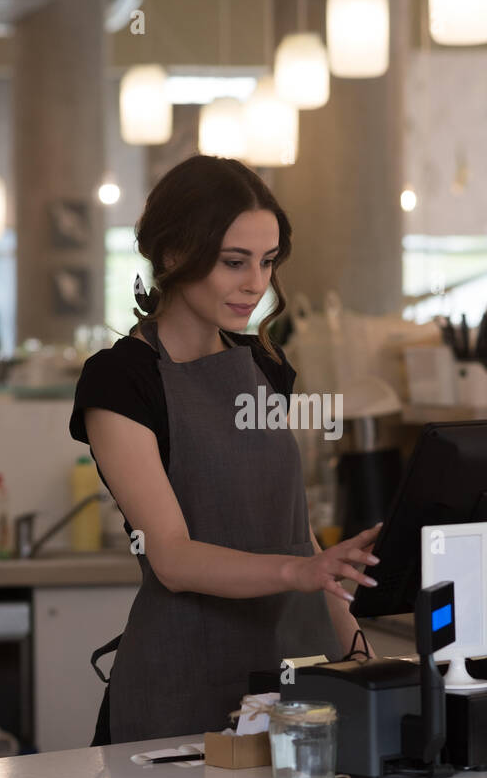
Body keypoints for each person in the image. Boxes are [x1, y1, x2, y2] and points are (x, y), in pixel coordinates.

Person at [69, 154, 380, 746]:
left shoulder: (265, 366)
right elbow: (173, 557)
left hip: (293, 678)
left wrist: (358, 654)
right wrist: (297, 572)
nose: (256, 284)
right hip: (179, 684)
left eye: (268, 261)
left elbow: (299, 534)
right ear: (172, 255)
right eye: (234, 262)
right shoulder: (120, 381)